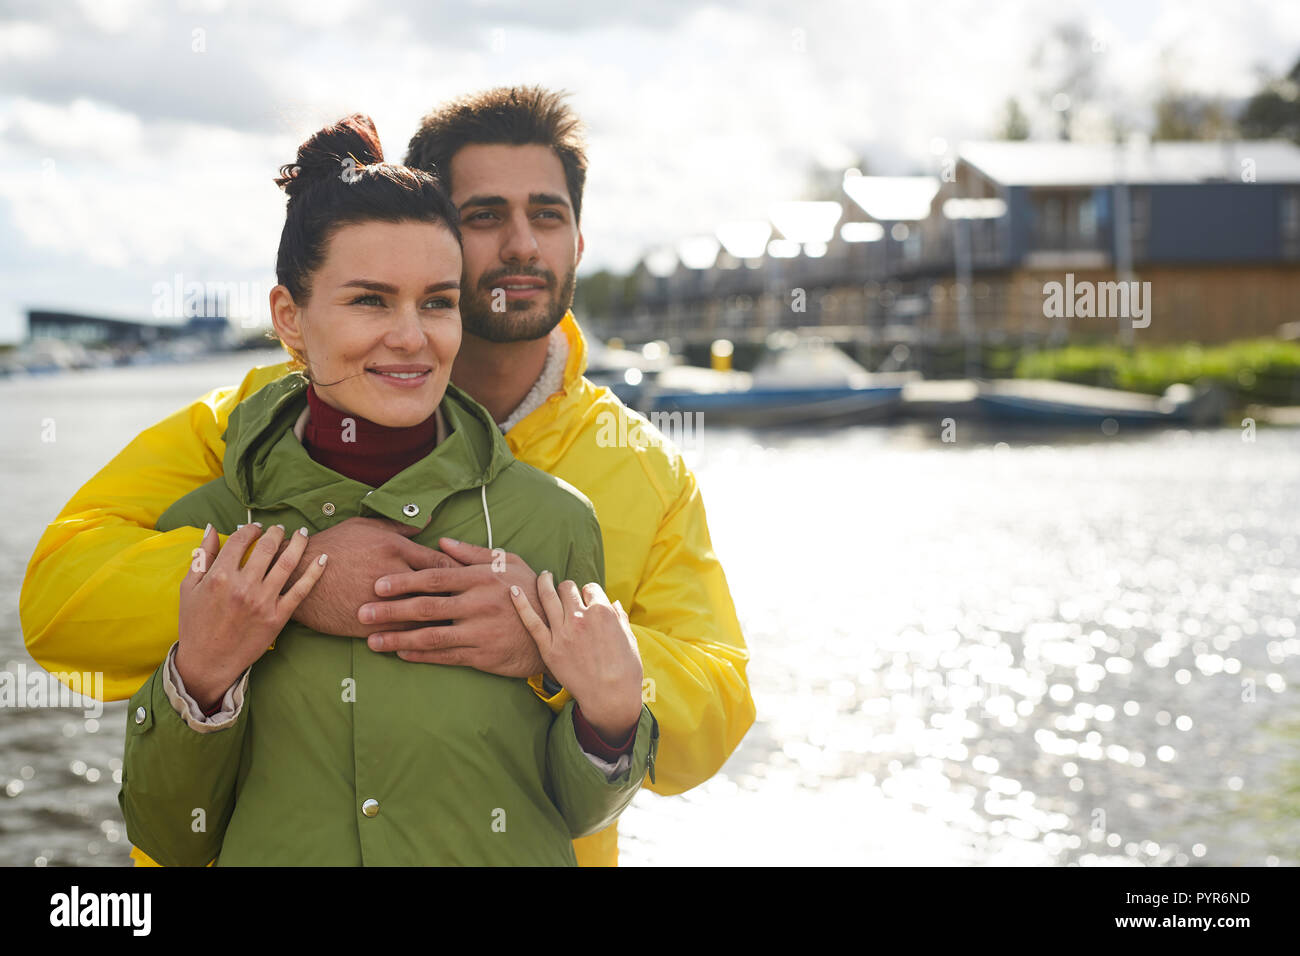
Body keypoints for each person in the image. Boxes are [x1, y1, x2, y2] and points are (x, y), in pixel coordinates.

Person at [20, 85, 754, 867]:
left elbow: (716, 714)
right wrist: (297, 573)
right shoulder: (249, 425)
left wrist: (549, 646)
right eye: (483, 216)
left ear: (579, 239)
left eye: (548, 214)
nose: (521, 246)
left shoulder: (641, 467)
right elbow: (59, 606)